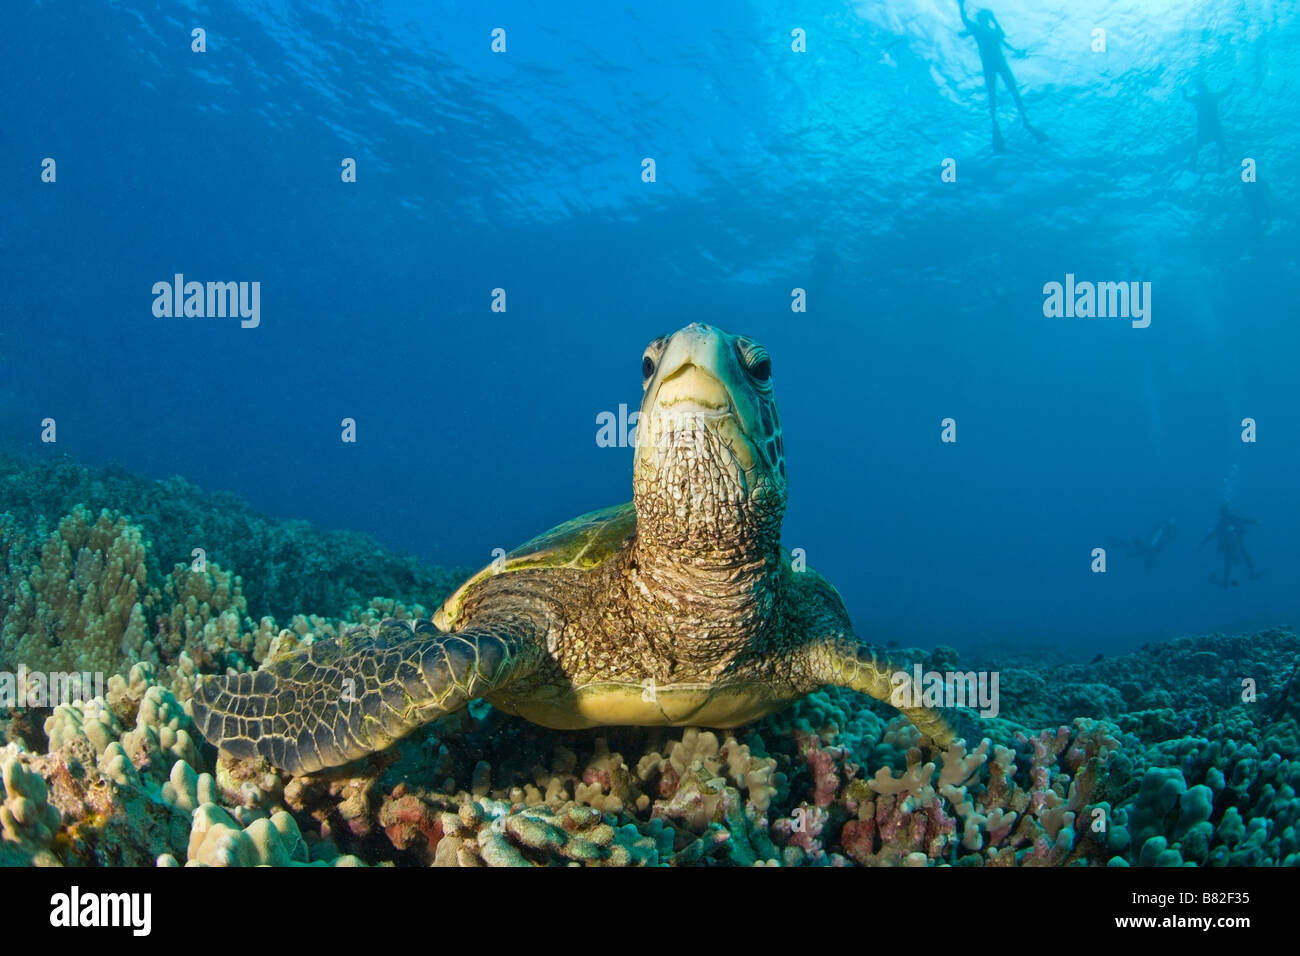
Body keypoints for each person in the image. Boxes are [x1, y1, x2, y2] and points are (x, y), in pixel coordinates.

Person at [957, 0, 1048, 152]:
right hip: (993, 65)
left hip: (997, 64)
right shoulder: (978, 30)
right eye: (985, 18)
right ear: (982, 19)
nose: (985, 20)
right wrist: (961, 6)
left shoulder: (988, 32)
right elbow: (966, 20)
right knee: (994, 95)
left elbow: (1003, 38)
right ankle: (997, 124)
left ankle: (1023, 121)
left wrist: (1015, 51)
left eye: (986, 18)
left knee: (1012, 92)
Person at [1201, 504, 1262, 588]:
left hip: (1232, 544)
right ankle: (1250, 574)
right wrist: (1255, 522)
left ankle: (1228, 581)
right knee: (1236, 558)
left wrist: (1203, 543)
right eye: (1226, 511)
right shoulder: (1226, 520)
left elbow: (1212, 534)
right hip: (1229, 545)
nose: (1227, 513)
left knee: (1233, 559)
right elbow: (1242, 521)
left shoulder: (1225, 520)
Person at [1183, 76, 1233, 173]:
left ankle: (1218, 162)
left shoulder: (1198, 98)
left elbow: (1186, 99)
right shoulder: (1210, 96)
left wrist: (1183, 92)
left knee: (1199, 145)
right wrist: (1232, 85)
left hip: (1205, 126)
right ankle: (1220, 163)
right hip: (1212, 125)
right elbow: (1224, 93)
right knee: (1220, 144)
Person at [1110, 518, 1177, 575]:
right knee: (1134, 553)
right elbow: (1156, 539)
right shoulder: (1164, 528)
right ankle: (1120, 543)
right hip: (1150, 549)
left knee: (1133, 554)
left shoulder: (1166, 529)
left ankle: (1120, 543)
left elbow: (1159, 541)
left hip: (1151, 550)